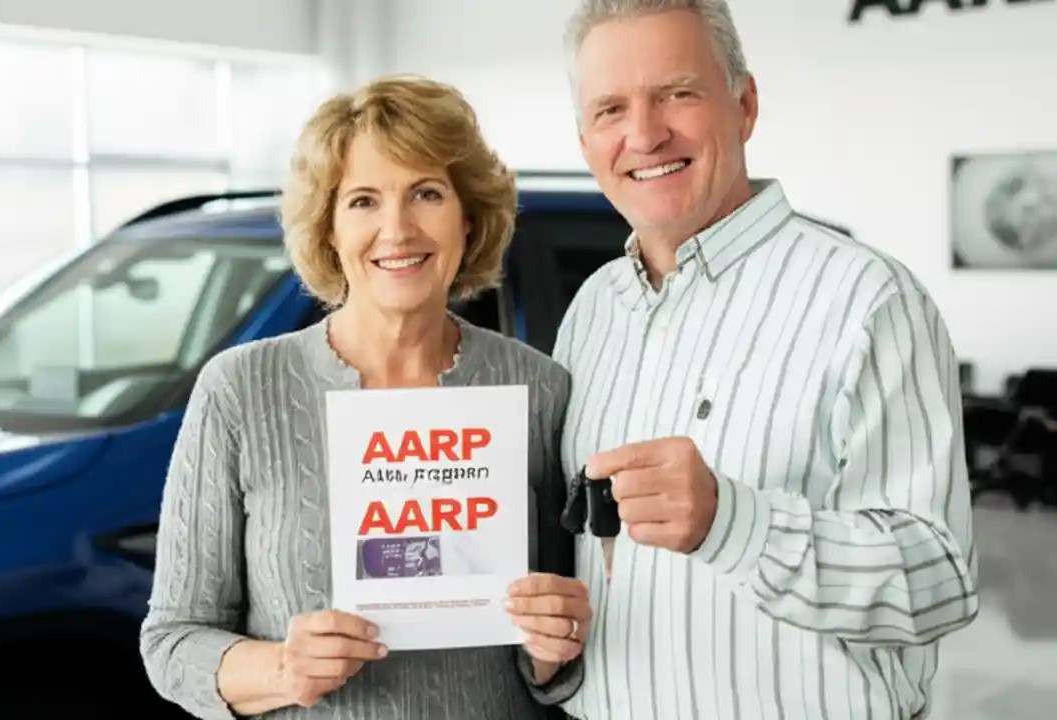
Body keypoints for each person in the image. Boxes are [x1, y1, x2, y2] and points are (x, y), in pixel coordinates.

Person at [552, 1, 978, 718]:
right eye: (610, 109)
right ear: (586, 139)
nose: (644, 133)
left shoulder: (866, 299)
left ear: (744, 106)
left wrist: (735, 521)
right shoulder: (592, 310)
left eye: (677, 94)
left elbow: (939, 581)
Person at [139, 75, 591, 719]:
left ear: (468, 216)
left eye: (426, 193)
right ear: (328, 228)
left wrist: (554, 646)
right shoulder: (239, 389)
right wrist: (283, 669)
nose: (397, 229)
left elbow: (551, 659)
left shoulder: (538, 389)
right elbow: (171, 641)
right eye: (363, 201)